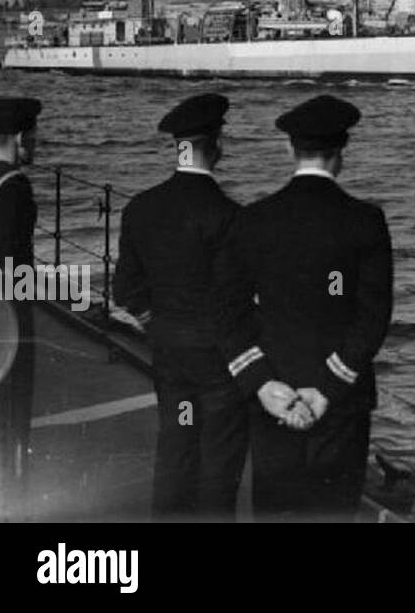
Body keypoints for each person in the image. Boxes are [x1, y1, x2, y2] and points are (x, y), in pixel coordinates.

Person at [216, 95, 393, 520]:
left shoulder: (253, 219)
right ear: (342, 152)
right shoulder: (365, 220)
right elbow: (373, 318)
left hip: (274, 396)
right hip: (341, 403)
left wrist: (263, 384)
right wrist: (326, 390)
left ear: (288, 150)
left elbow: (225, 311)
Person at [113, 93, 247, 520]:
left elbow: (125, 289)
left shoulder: (141, 208)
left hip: (170, 354)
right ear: (217, 143)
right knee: (218, 459)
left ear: (179, 147)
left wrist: (156, 326)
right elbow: (237, 300)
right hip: (218, 365)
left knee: (177, 442)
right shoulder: (229, 216)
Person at [0, 95, 41, 520]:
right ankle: (8, 506)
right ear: (21, 138)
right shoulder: (14, 188)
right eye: (34, 137)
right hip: (5, 319)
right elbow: (12, 268)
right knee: (9, 416)